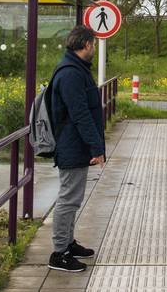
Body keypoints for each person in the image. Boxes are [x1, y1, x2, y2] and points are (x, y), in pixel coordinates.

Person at [47, 25, 106, 273]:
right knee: (68, 200)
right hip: (72, 145)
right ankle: (59, 253)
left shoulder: (75, 69)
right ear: (85, 45)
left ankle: (68, 243)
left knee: (73, 199)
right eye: (93, 44)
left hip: (75, 144)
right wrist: (96, 147)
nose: (94, 48)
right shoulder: (71, 74)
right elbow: (80, 114)